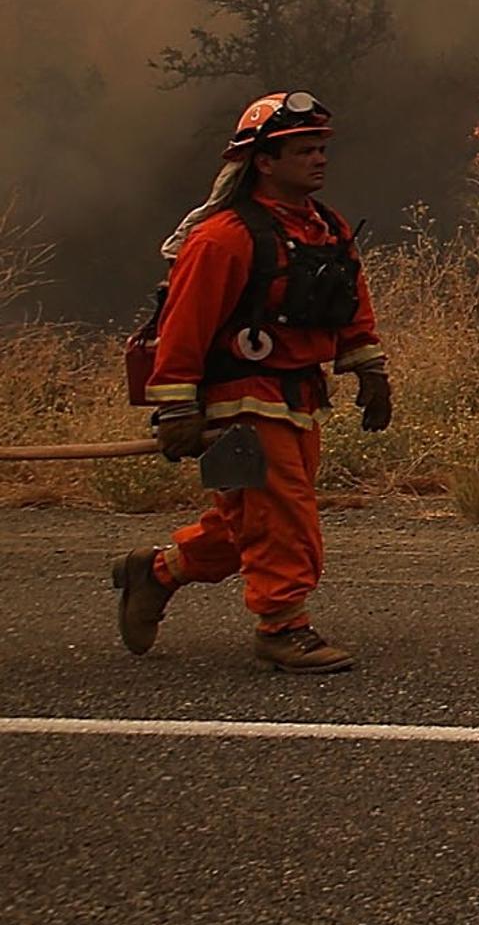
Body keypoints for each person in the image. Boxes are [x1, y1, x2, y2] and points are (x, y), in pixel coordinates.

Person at [117, 92, 386, 674]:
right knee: (282, 515)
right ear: (263, 160)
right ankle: (283, 626)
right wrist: (177, 409)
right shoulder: (224, 238)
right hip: (240, 400)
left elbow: (352, 304)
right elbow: (184, 328)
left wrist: (369, 369)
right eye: (303, 150)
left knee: (248, 520)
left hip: (299, 396)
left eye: (320, 148)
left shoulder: (327, 228)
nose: (319, 159)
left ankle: (157, 571)